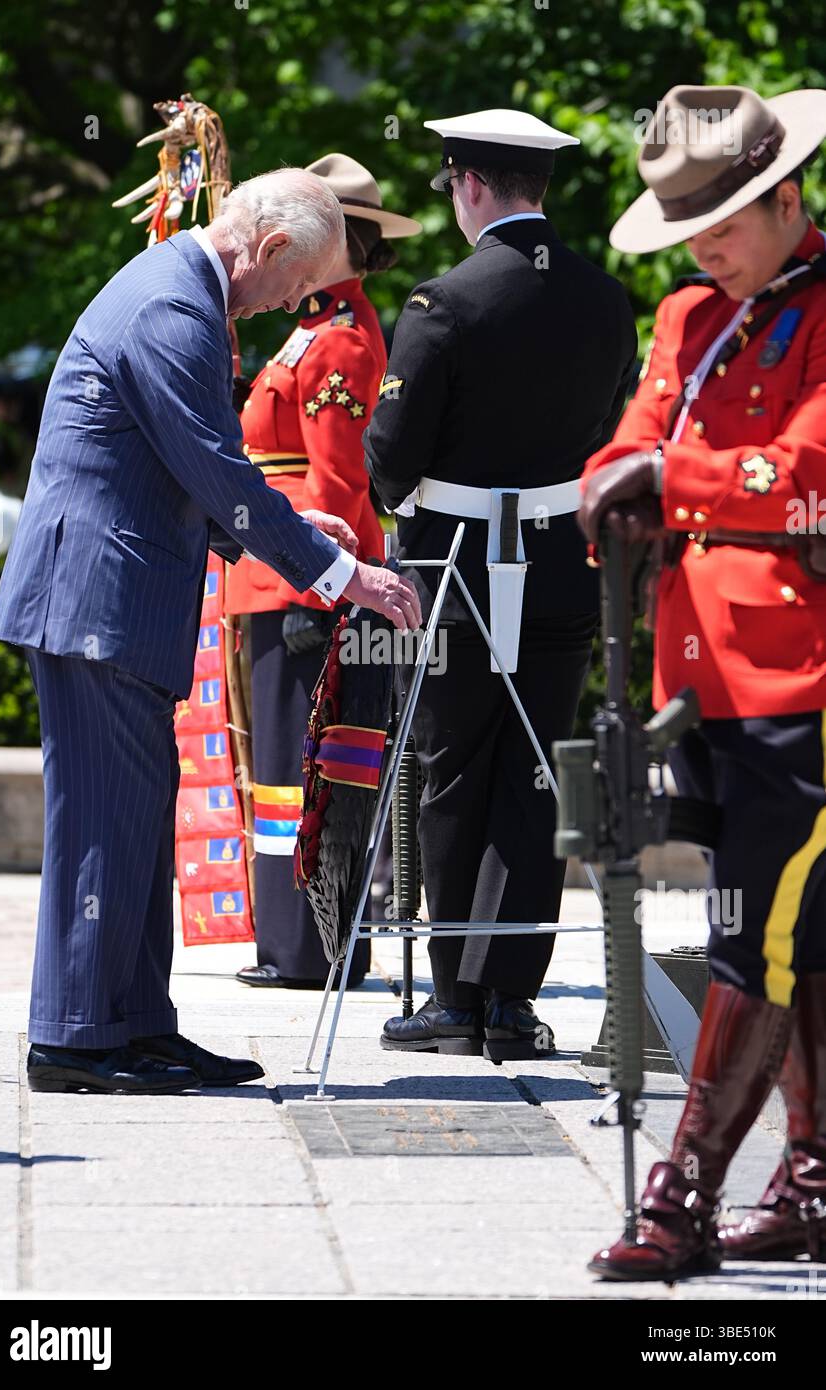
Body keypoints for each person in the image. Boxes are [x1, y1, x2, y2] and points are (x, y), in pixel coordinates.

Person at [0, 167, 421, 1096]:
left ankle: (134, 1025)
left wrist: (305, 534)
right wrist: (344, 575)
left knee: (135, 818)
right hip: (98, 599)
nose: (284, 306)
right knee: (105, 820)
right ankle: (75, 1037)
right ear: (265, 249)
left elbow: (187, 472)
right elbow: (219, 470)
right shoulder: (173, 309)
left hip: (112, 595)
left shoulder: (176, 294)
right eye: (290, 284)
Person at [580, 83, 826, 1279]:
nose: (701, 246)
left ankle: (679, 1198)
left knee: (749, 933)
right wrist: (615, 483)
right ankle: (812, 1181)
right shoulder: (685, 315)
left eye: (722, 220)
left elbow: (806, 479)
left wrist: (668, 481)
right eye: (686, 225)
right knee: (802, 935)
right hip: (697, 672)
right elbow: (627, 440)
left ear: (786, 200)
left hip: (802, 676)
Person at [364, 109, 637, 1061]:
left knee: (450, 768)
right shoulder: (606, 299)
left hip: (451, 566)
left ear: (468, 184)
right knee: (536, 771)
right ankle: (513, 999)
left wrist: (398, 496)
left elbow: (391, 457)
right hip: (561, 558)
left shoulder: (444, 302)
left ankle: (453, 997)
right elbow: (612, 422)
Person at [228, 154, 421, 990]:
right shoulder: (310, 324)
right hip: (273, 572)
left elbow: (340, 485)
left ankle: (310, 949)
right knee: (276, 771)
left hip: (300, 581)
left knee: (300, 770)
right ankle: (289, 943)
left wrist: (323, 586)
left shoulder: (340, 337)